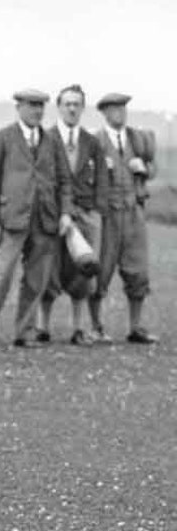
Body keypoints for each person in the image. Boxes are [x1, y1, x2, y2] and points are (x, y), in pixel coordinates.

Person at [0, 88, 73, 348]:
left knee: (36, 281)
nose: (37, 111)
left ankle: (23, 334)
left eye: (40, 106)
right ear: (19, 108)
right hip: (10, 221)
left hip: (45, 221)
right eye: (31, 105)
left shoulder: (51, 141)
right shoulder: (2, 138)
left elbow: (64, 181)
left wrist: (66, 213)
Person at [36, 85, 105, 345]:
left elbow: (101, 179)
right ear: (59, 106)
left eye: (77, 104)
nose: (72, 109)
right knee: (49, 269)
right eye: (68, 104)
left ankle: (78, 329)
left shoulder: (92, 142)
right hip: (54, 215)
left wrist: (96, 210)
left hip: (85, 215)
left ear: (83, 108)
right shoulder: (47, 138)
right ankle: (43, 327)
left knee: (83, 272)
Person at [88, 93, 158, 344]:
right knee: (100, 270)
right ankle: (96, 326)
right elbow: (82, 175)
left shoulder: (138, 139)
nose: (120, 113)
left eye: (123, 109)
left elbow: (153, 167)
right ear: (104, 113)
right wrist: (97, 169)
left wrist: (145, 169)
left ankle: (136, 327)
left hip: (134, 212)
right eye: (115, 109)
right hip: (106, 215)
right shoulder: (94, 141)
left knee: (138, 269)